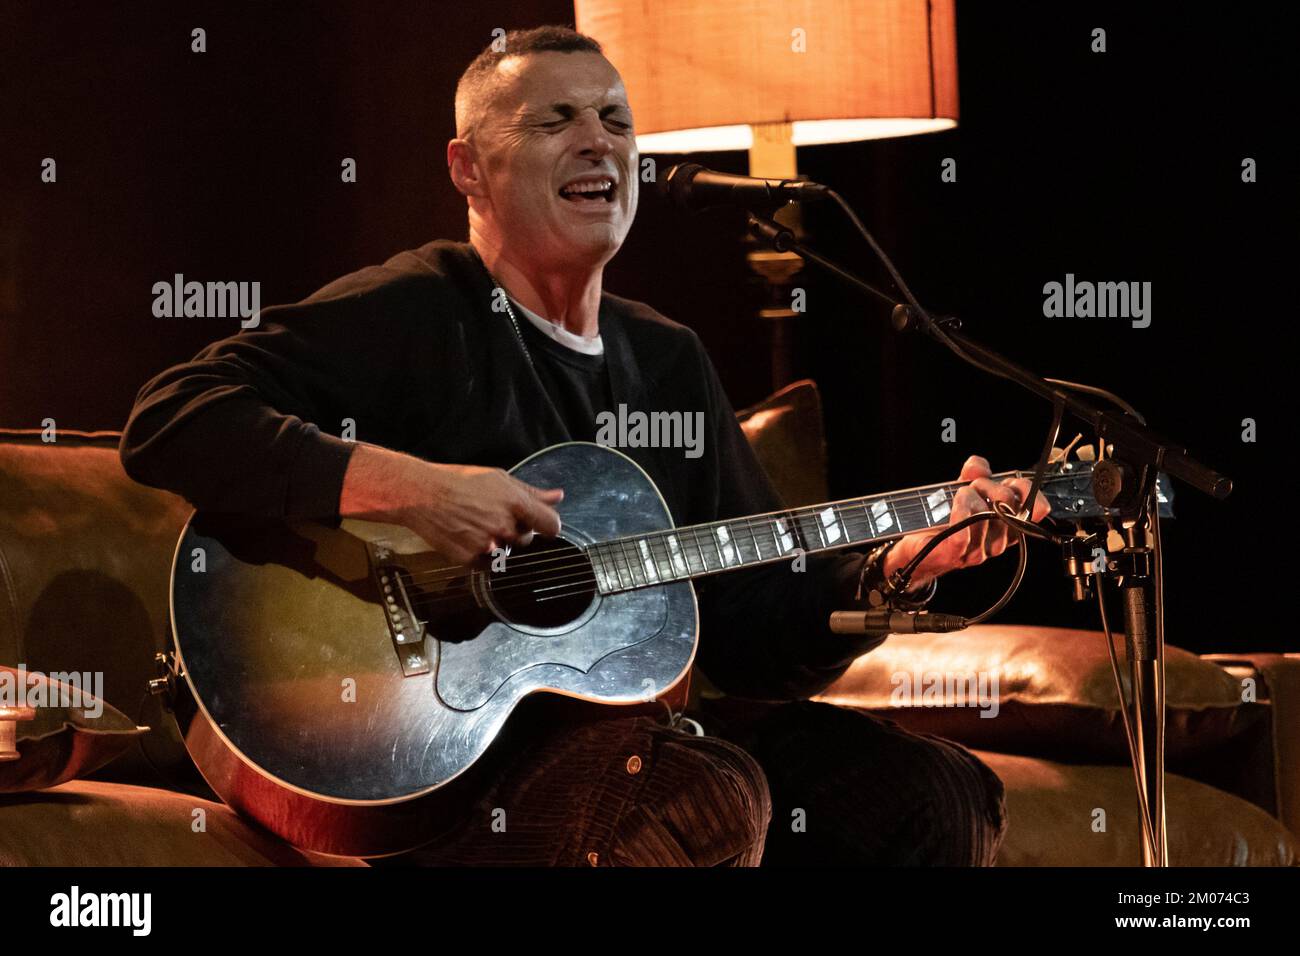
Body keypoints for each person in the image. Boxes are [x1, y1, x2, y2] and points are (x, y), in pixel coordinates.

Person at [120, 26, 1048, 866]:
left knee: (929, 794)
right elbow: (173, 417)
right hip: (440, 771)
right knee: (701, 792)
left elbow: (750, 620)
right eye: (554, 120)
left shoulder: (667, 359)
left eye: (614, 119)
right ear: (468, 167)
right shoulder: (414, 311)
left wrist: (891, 572)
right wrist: (414, 490)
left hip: (626, 743)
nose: (598, 140)